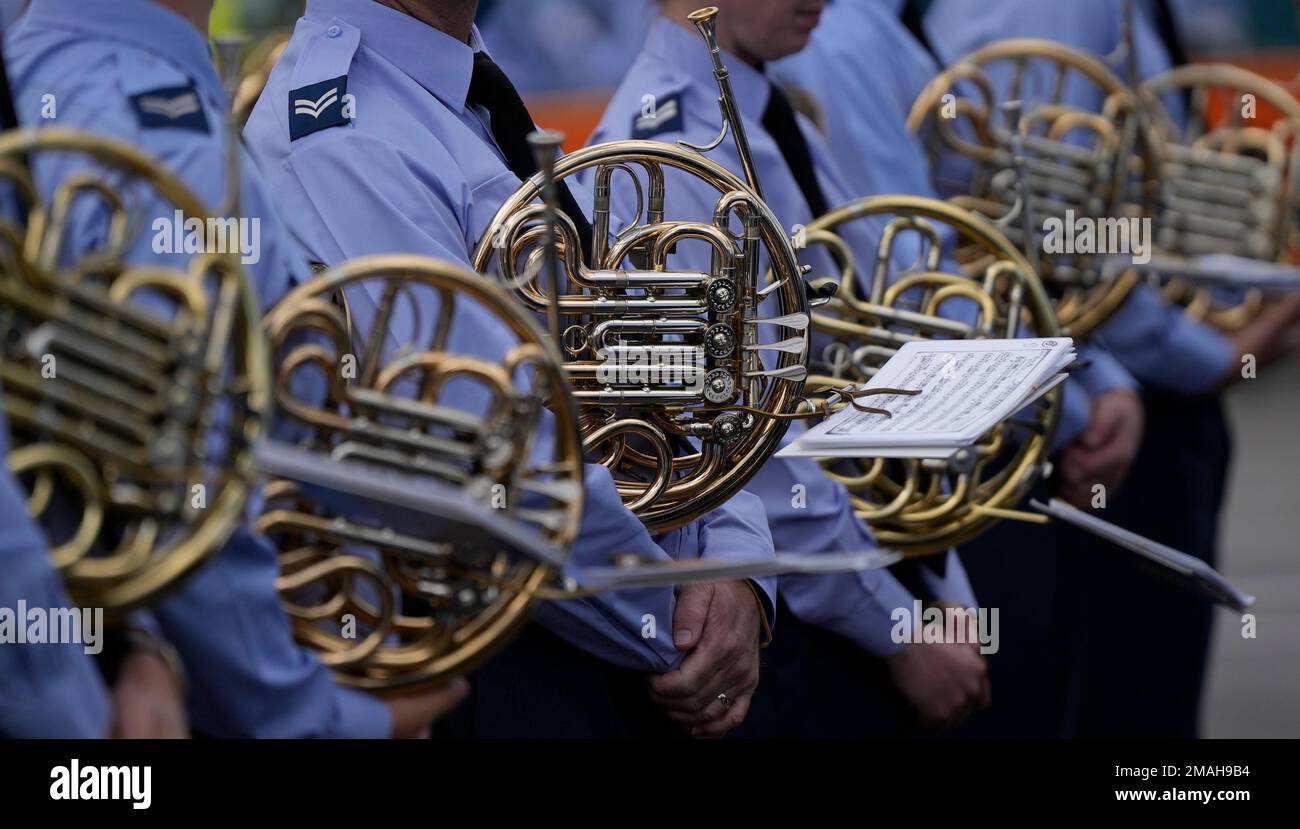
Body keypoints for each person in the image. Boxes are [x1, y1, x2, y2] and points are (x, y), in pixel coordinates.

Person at [244, 0, 779, 739]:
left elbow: (650, 359)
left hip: (634, 626)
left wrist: (741, 560)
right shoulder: (341, 136)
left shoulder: (457, 78)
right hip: (544, 663)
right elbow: (498, 460)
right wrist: (684, 629)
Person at [5, 0, 467, 738]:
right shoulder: (161, 130)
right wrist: (316, 718)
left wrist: (145, 644)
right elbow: (190, 492)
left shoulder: (39, 68)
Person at [922, 0, 1300, 736]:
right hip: (1109, 415)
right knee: (1128, 716)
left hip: (1111, 391)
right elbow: (1039, 223)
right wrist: (1219, 354)